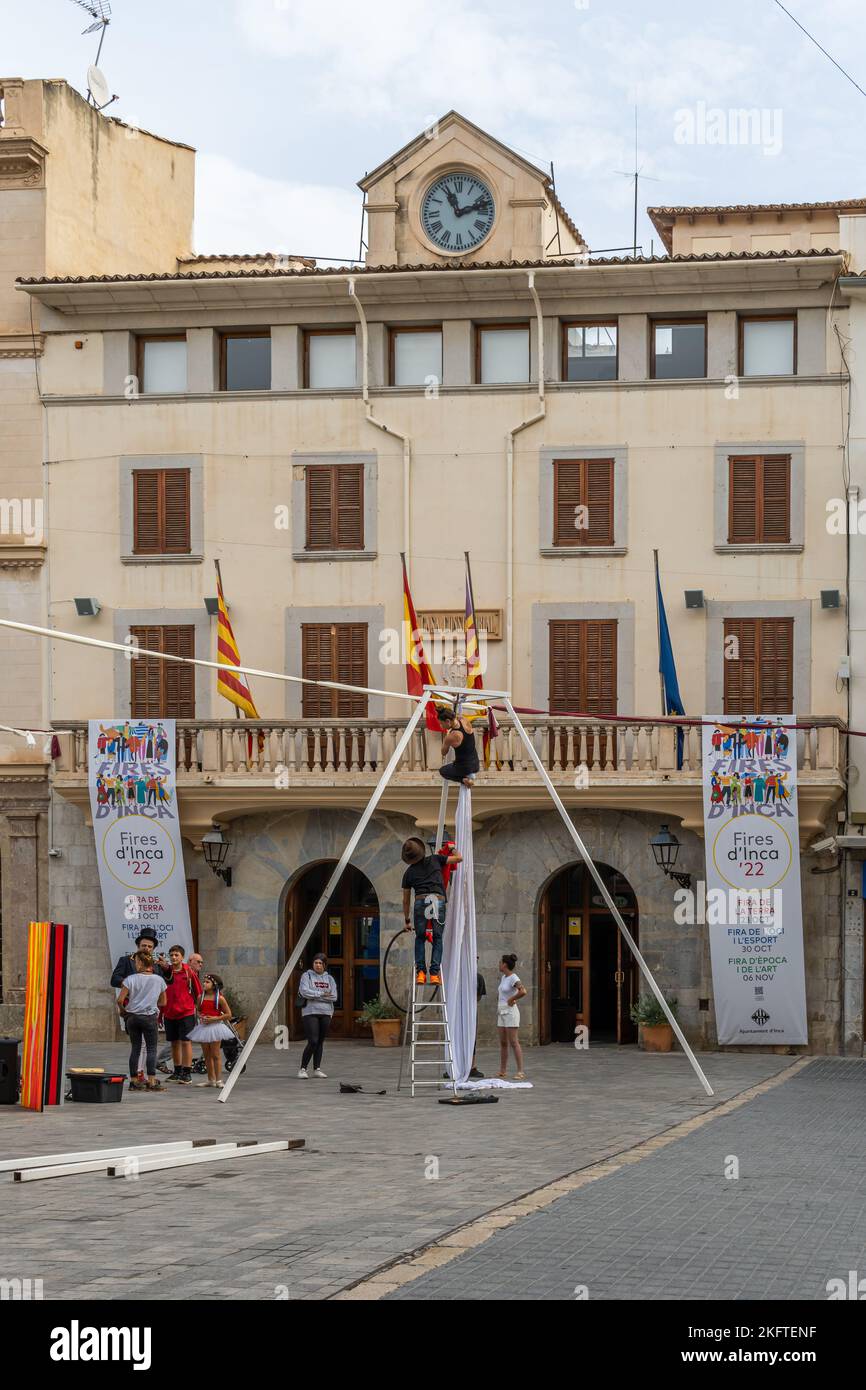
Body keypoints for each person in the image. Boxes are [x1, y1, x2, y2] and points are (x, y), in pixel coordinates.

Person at [401, 836, 462, 985]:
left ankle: (421, 973)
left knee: (420, 937)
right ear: (421, 850)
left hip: (421, 901)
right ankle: (434, 974)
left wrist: (407, 921)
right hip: (437, 900)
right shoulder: (435, 859)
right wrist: (452, 846)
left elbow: (406, 900)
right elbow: (459, 858)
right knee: (438, 937)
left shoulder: (408, 873)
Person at [117, 955, 167, 1092]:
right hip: (149, 1017)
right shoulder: (159, 980)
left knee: (136, 1048)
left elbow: (120, 1000)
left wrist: (123, 1011)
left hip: (132, 1017)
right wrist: (150, 1003)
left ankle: (134, 1081)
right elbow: (163, 1002)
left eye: (136, 961)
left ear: (140, 963)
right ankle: (151, 1080)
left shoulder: (130, 979)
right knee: (151, 1048)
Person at [162, 944, 203, 1085]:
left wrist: (201, 1011)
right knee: (174, 1043)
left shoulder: (189, 972)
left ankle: (187, 1072)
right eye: (171, 955)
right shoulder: (166, 972)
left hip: (186, 1012)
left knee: (186, 1042)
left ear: (182, 957)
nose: (173, 957)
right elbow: (161, 994)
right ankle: (177, 1071)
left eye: (176, 955)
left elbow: (198, 993)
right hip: (169, 1012)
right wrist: (160, 1013)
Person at [297, 953, 339, 1079]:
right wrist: (322, 994)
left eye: (320, 963)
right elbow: (304, 992)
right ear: (313, 964)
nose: (318, 965)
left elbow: (334, 996)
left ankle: (317, 1069)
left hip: (326, 1013)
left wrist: (314, 995)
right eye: (316, 962)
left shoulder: (330, 979)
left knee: (320, 1042)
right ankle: (303, 1069)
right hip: (310, 1012)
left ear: (324, 965)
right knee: (313, 1041)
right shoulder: (307, 976)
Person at [189, 974, 234, 1088]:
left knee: (215, 1054)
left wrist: (215, 1018)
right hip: (203, 1028)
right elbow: (198, 1010)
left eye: (207, 982)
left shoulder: (220, 998)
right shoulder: (201, 997)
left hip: (215, 1027)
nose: (204, 984)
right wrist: (200, 1016)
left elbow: (229, 1015)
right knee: (207, 1055)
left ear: (214, 985)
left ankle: (219, 1080)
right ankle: (210, 1079)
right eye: (204, 981)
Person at [497, 953, 527, 1080]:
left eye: (500, 962)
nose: (499, 964)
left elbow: (523, 991)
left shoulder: (513, 977)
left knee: (513, 1041)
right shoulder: (504, 977)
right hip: (501, 1011)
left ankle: (520, 1071)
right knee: (503, 1042)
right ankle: (503, 1070)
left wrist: (512, 999)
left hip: (510, 1012)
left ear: (504, 964)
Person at [438, 708, 480, 788]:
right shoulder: (464, 720)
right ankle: (464, 777)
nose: (441, 726)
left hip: (464, 768)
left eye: (441, 723)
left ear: (448, 721)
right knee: (454, 763)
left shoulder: (451, 736)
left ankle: (464, 780)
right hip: (475, 764)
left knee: (443, 771)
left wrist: (446, 738)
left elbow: (443, 752)